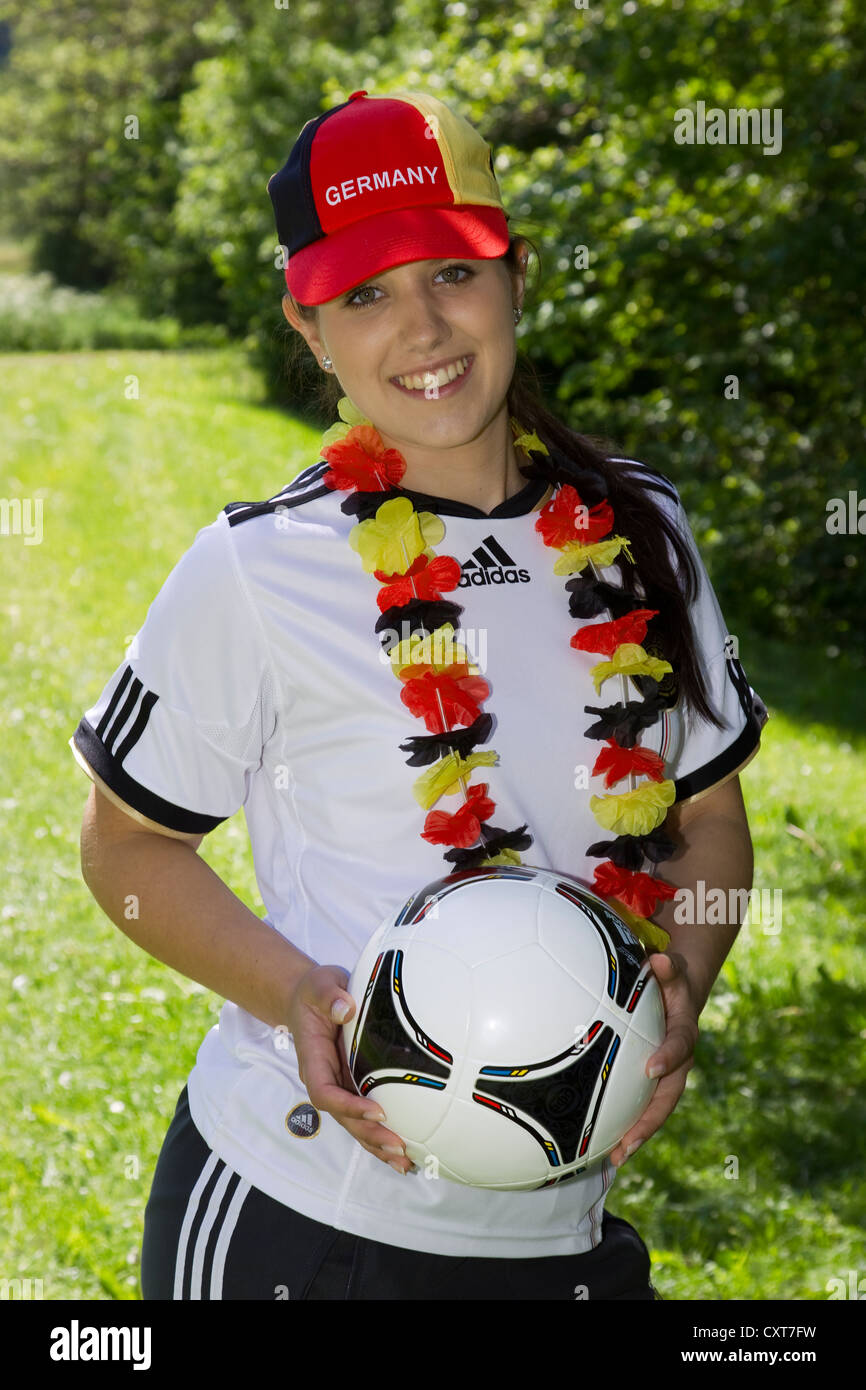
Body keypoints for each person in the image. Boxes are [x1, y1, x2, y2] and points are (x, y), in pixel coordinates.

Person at [71, 89, 767, 1301]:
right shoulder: (258, 565)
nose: (422, 327)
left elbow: (707, 818)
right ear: (310, 327)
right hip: (300, 1220)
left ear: (515, 277)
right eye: (364, 294)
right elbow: (126, 847)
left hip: (560, 1234)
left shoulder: (639, 529)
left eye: (452, 269)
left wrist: (677, 991)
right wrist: (295, 992)